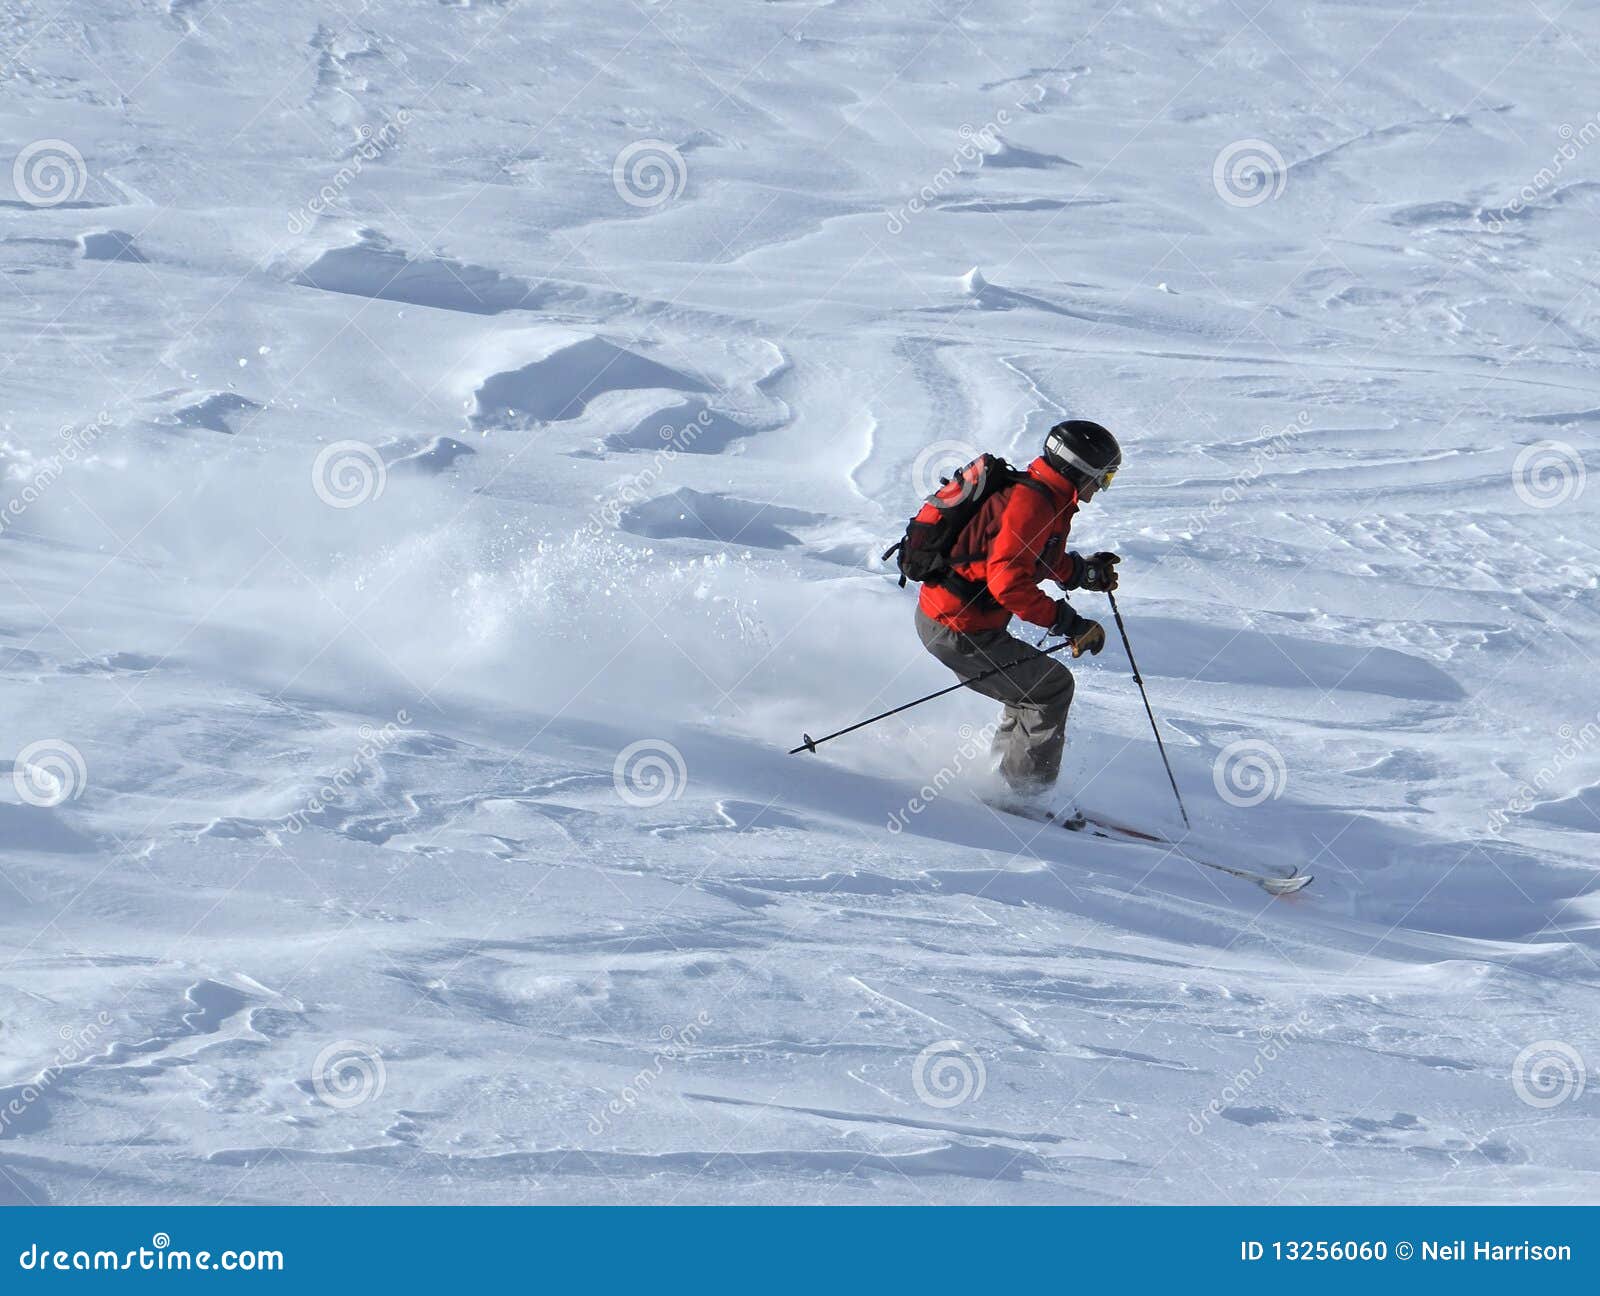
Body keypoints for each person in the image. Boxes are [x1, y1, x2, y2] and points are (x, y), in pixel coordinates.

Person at [914, 419, 1122, 801]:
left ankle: (1006, 784)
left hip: (959, 622)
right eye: (1103, 479)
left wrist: (1082, 572)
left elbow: (1037, 557)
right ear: (1081, 470)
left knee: (1030, 691)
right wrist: (1068, 623)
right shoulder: (1034, 504)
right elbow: (1007, 583)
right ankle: (1026, 798)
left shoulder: (1046, 496)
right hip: (957, 628)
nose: (1101, 489)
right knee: (1051, 689)